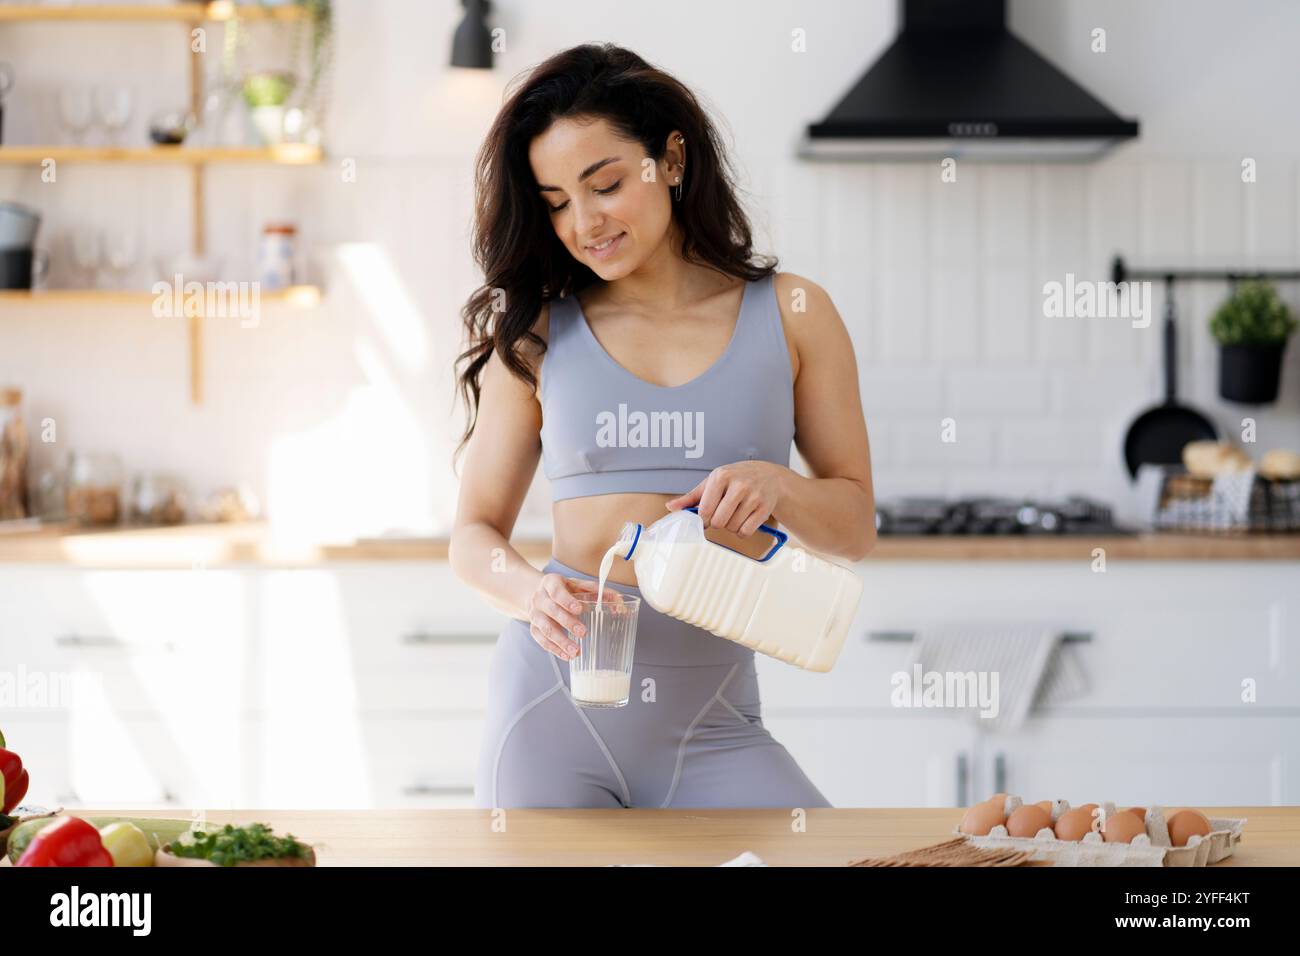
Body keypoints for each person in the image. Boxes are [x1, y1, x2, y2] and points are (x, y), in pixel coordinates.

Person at [451, 43, 875, 809]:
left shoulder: (793, 314)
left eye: (605, 184)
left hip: (716, 727)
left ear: (671, 160)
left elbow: (852, 527)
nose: (583, 222)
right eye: (554, 202)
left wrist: (779, 486)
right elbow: (473, 535)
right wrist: (530, 592)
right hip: (554, 715)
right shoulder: (541, 333)